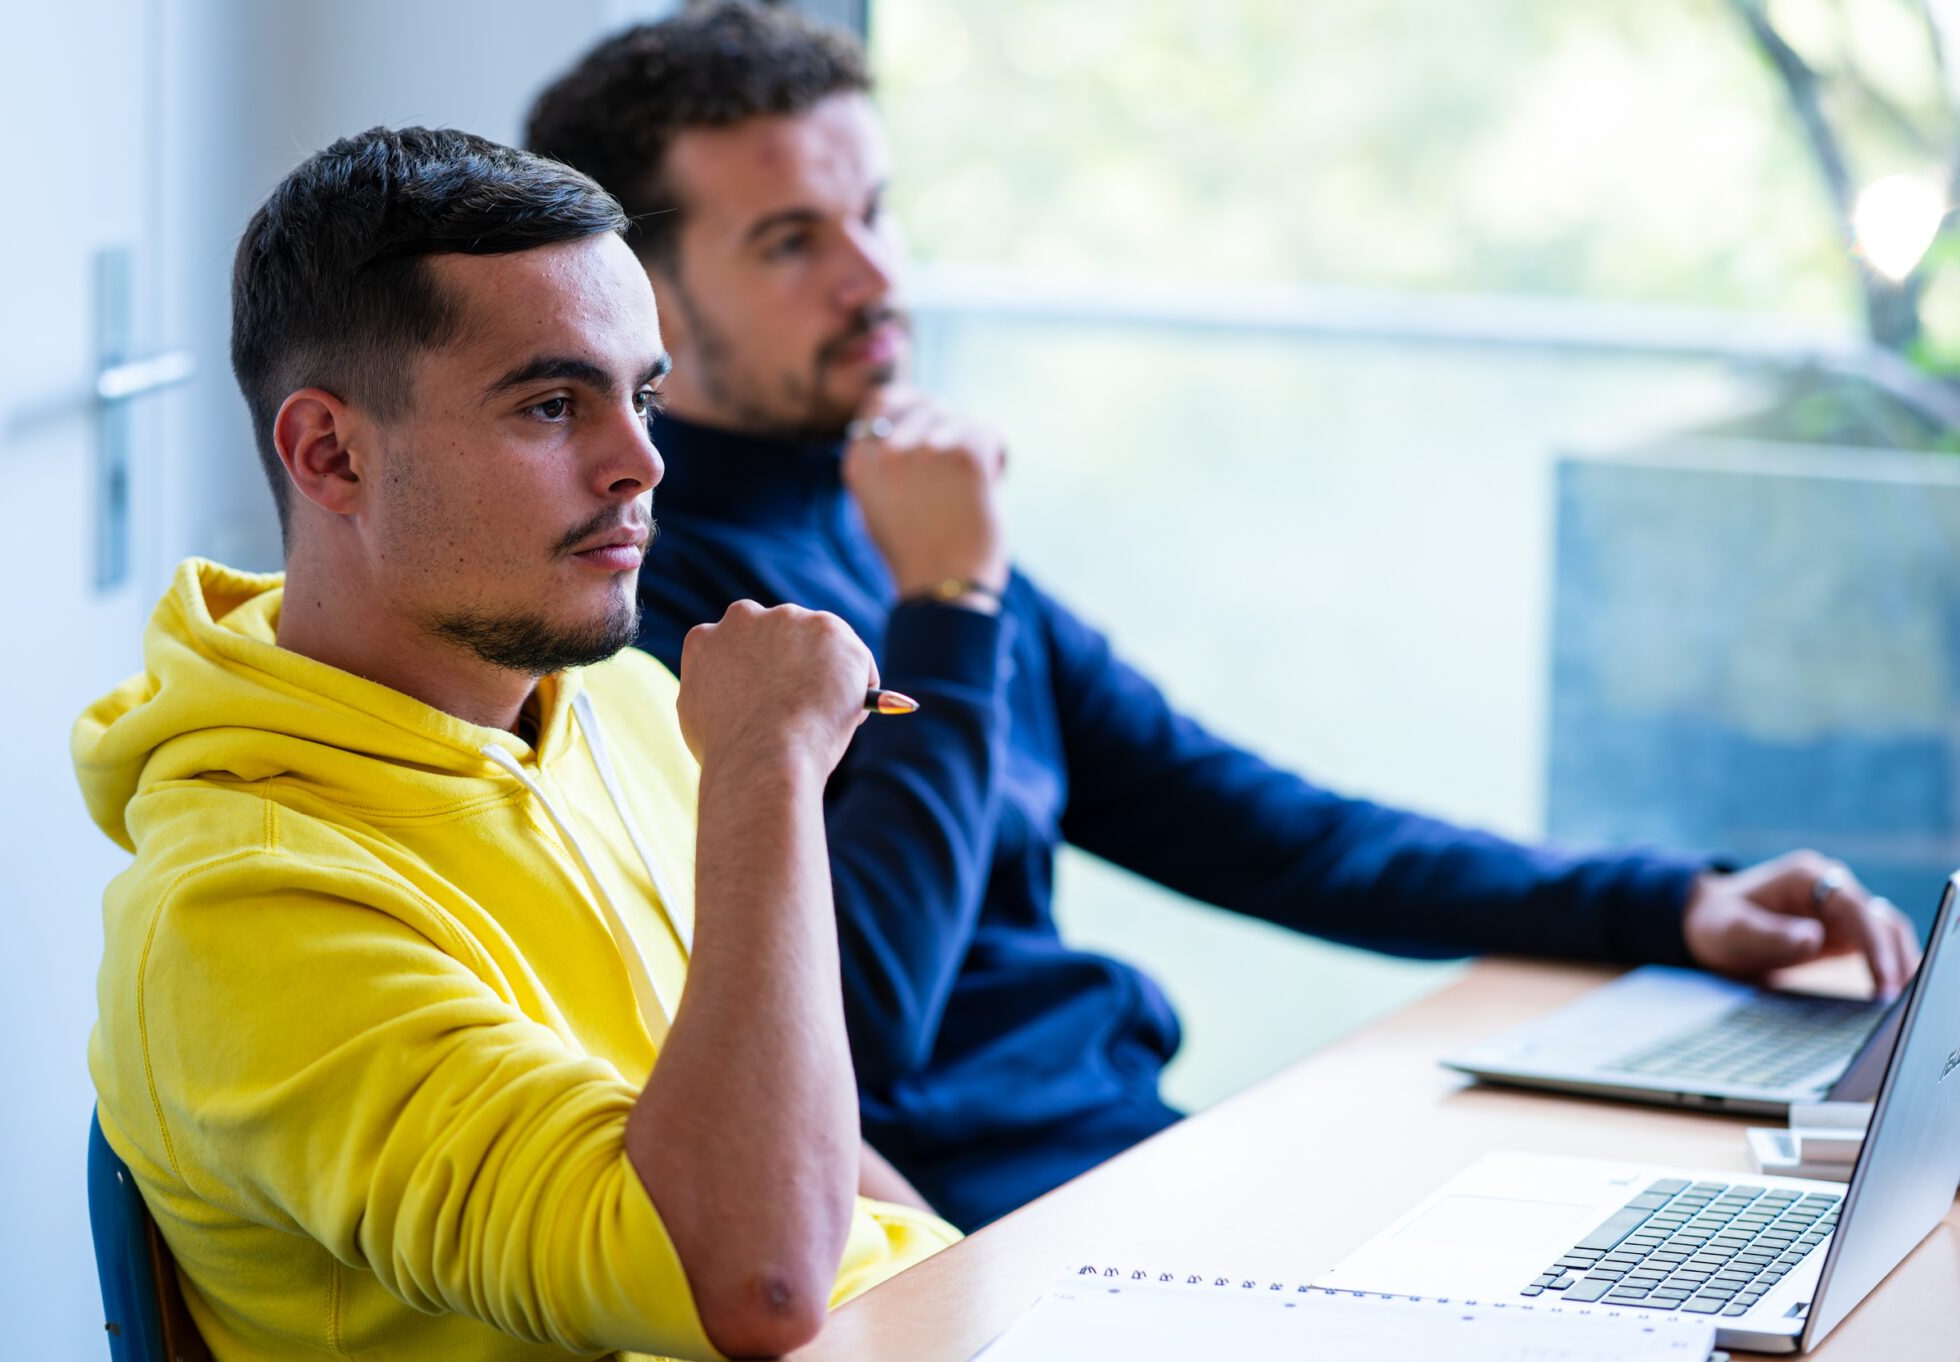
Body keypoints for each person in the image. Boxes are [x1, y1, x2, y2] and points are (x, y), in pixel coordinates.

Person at [525, 3, 1924, 1235]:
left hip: (1137, 1160)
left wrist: (1670, 901)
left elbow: (1269, 828)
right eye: (791, 243)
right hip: (972, 1231)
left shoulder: (891, 516)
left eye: (875, 213)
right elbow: (860, 1025)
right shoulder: (652, 607)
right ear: (644, 297)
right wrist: (948, 604)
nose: (876, 278)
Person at [76, 126, 954, 1362]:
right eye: (551, 405)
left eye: (641, 396)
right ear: (331, 454)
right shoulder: (237, 918)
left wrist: (982, 1284)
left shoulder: (624, 702)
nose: (641, 463)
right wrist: (766, 770)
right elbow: (748, 1284)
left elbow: (798, 1131)